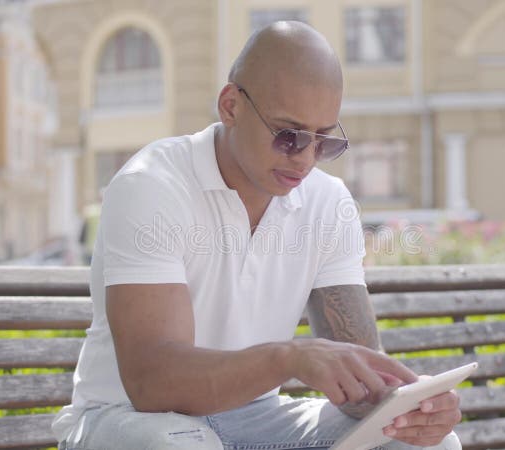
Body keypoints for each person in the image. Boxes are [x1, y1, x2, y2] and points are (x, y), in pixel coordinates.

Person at [53, 21, 462, 450]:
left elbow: (362, 389)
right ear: (230, 105)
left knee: (426, 443)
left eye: (323, 141)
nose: (305, 160)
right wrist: (286, 357)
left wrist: (412, 405)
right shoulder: (152, 184)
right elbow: (153, 385)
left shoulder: (327, 201)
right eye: (288, 136)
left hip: (256, 416)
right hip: (126, 420)